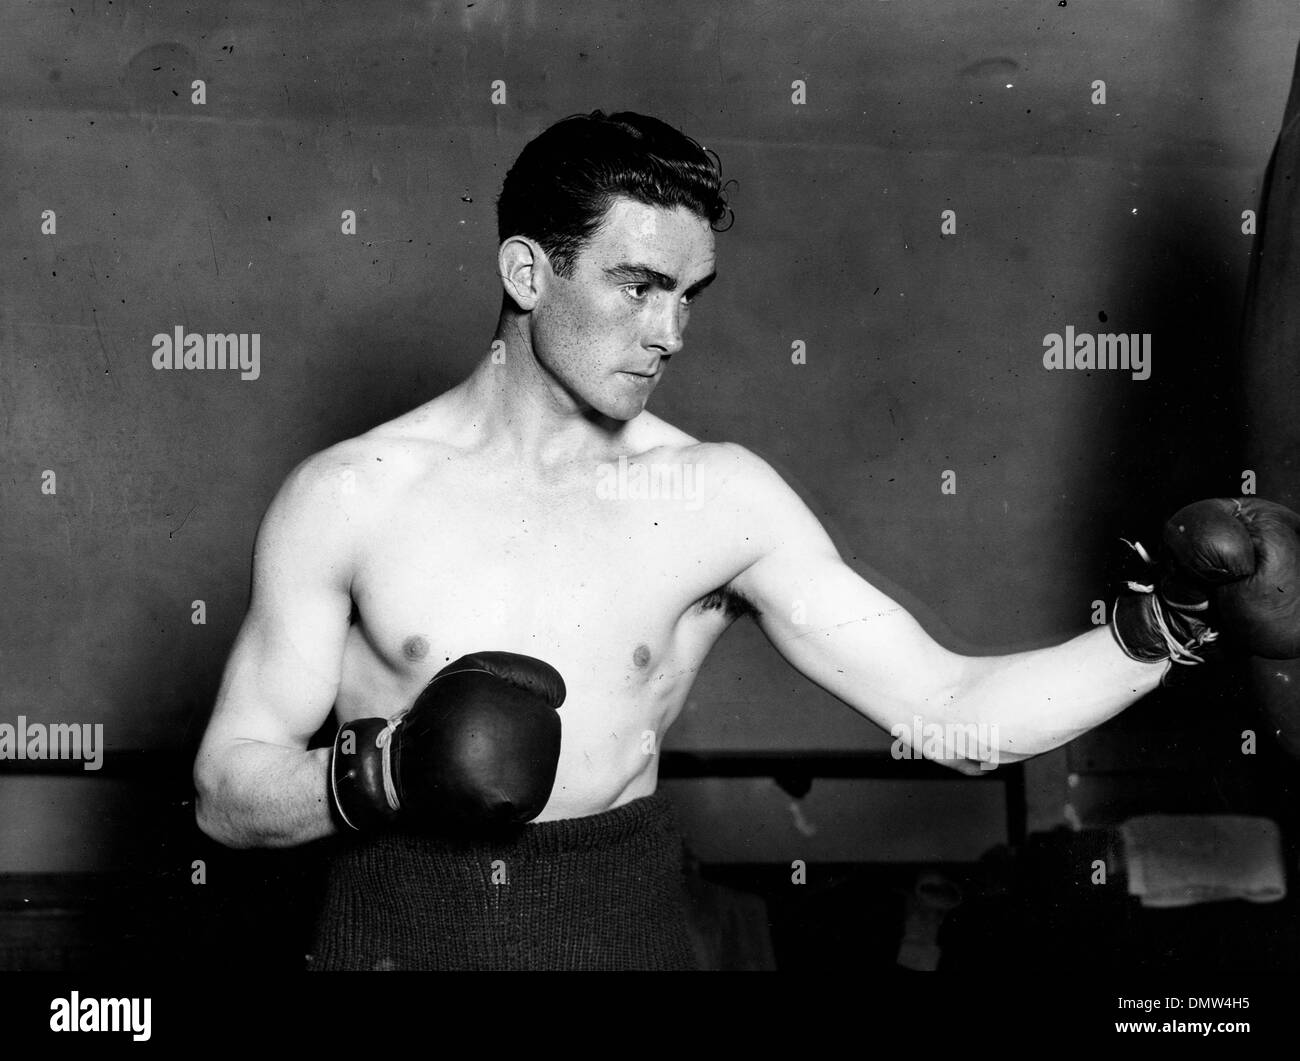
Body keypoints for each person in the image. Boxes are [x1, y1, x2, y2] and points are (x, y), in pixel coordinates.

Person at [192, 110, 1300, 970]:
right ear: (527, 272)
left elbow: (956, 714)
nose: (670, 332)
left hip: (620, 949)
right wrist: (384, 770)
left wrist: (1165, 630)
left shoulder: (717, 497)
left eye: (690, 295)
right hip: (384, 951)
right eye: (636, 286)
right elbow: (226, 794)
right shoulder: (348, 494)